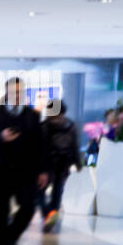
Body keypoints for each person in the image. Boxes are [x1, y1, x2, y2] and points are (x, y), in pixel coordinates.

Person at [0, 77, 48, 245]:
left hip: (26, 172)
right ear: (7, 93)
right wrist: (0, 137)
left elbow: (41, 144)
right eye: (13, 92)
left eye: (20, 92)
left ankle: (10, 238)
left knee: (28, 209)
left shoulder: (33, 115)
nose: (17, 96)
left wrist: (43, 170)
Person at [39, 99, 77, 231]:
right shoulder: (70, 125)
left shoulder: (44, 126)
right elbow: (74, 145)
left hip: (47, 165)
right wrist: (77, 162)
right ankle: (51, 215)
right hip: (63, 164)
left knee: (40, 193)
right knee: (57, 194)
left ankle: (47, 215)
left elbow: (40, 148)